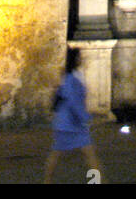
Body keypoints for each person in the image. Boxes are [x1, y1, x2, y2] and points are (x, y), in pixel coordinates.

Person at [43, 48, 102, 183]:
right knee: (88, 155)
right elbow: (73, 101)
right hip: (71, 123)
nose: (82, 59)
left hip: (67, 123)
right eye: (80, 57)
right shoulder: (71, 78)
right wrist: (85, 118)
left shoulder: (72, 76)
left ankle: (47, 181)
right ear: (75, 59)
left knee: (61, 154)